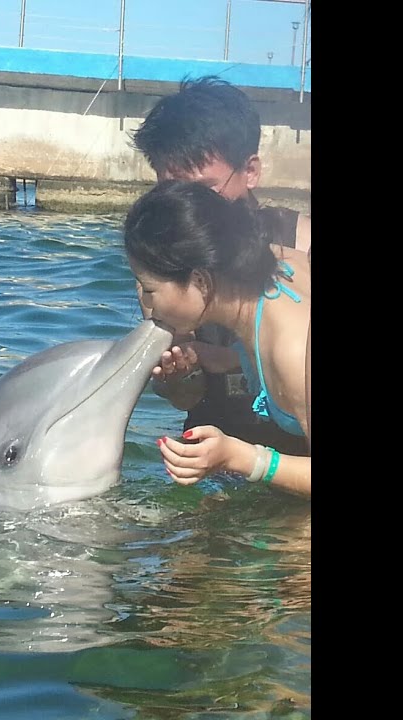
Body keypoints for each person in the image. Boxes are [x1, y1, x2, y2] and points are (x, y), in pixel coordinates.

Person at [129, 76, 310, 457]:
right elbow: (184, 397)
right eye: (170, 190)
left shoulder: (300, 248)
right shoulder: (165, 260)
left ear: (250, 171)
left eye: (202, 189)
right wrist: (182, 376)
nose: (186, 206)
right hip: (211, 459)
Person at [125, 181, 310, 496]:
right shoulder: (282, 266)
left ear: (199, 279)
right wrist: (224, 359)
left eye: (151, 290)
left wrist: (243, 458)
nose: (148, 306)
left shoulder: (291, 352)